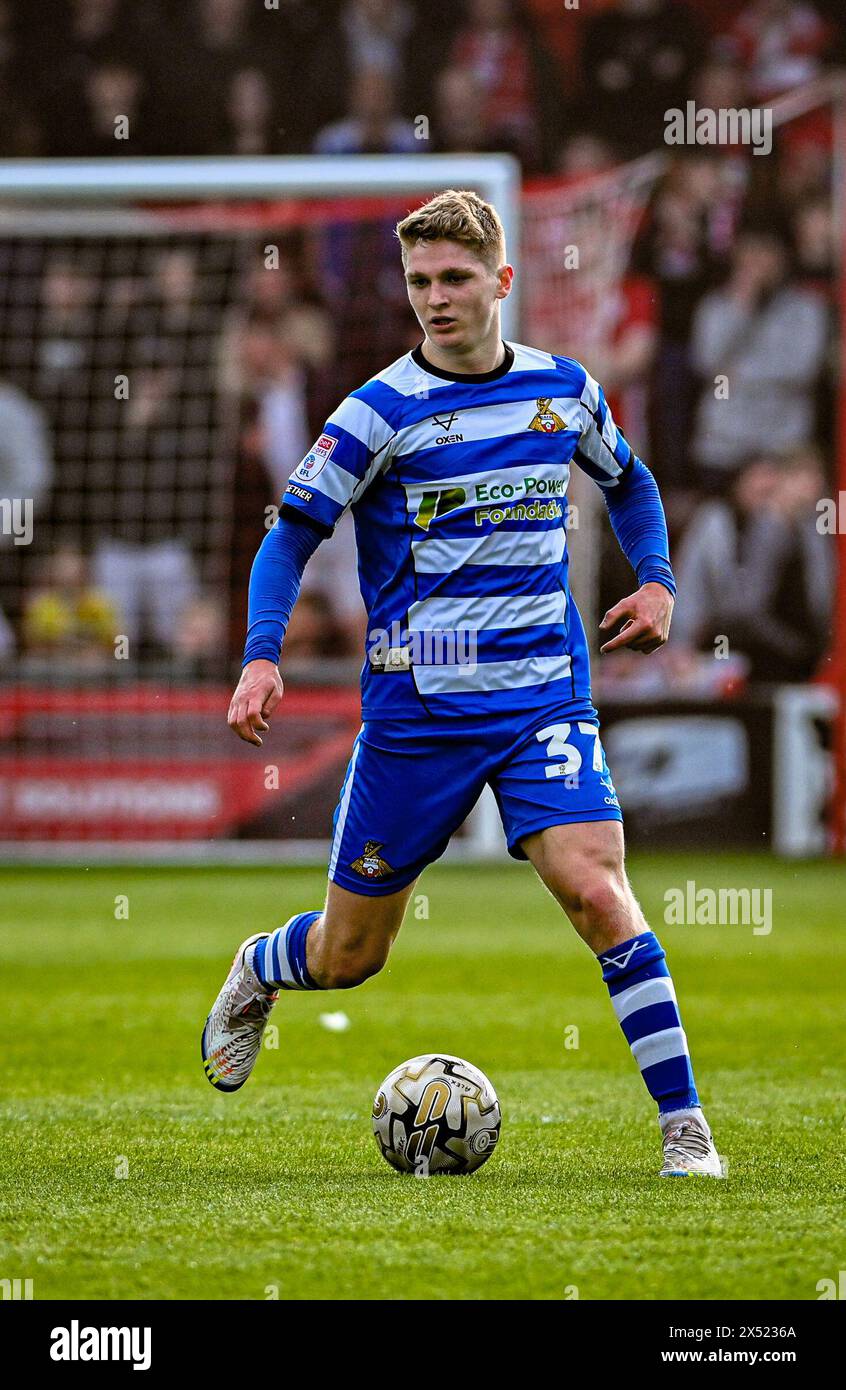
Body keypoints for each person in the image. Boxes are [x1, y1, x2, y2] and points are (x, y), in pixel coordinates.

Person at [202, 189, 722, 1178]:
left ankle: (685, 1128)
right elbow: (290, 535)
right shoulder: (376, 412)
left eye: (455, 278)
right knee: (351, 956)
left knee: (598, 891)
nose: (436, 298)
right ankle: (261, 965)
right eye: (420, 281)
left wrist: (657, 579)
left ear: (501, 280)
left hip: (542, 700)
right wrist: (262, 654)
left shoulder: (564, 390)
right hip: (418, 712)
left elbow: (631, 481)